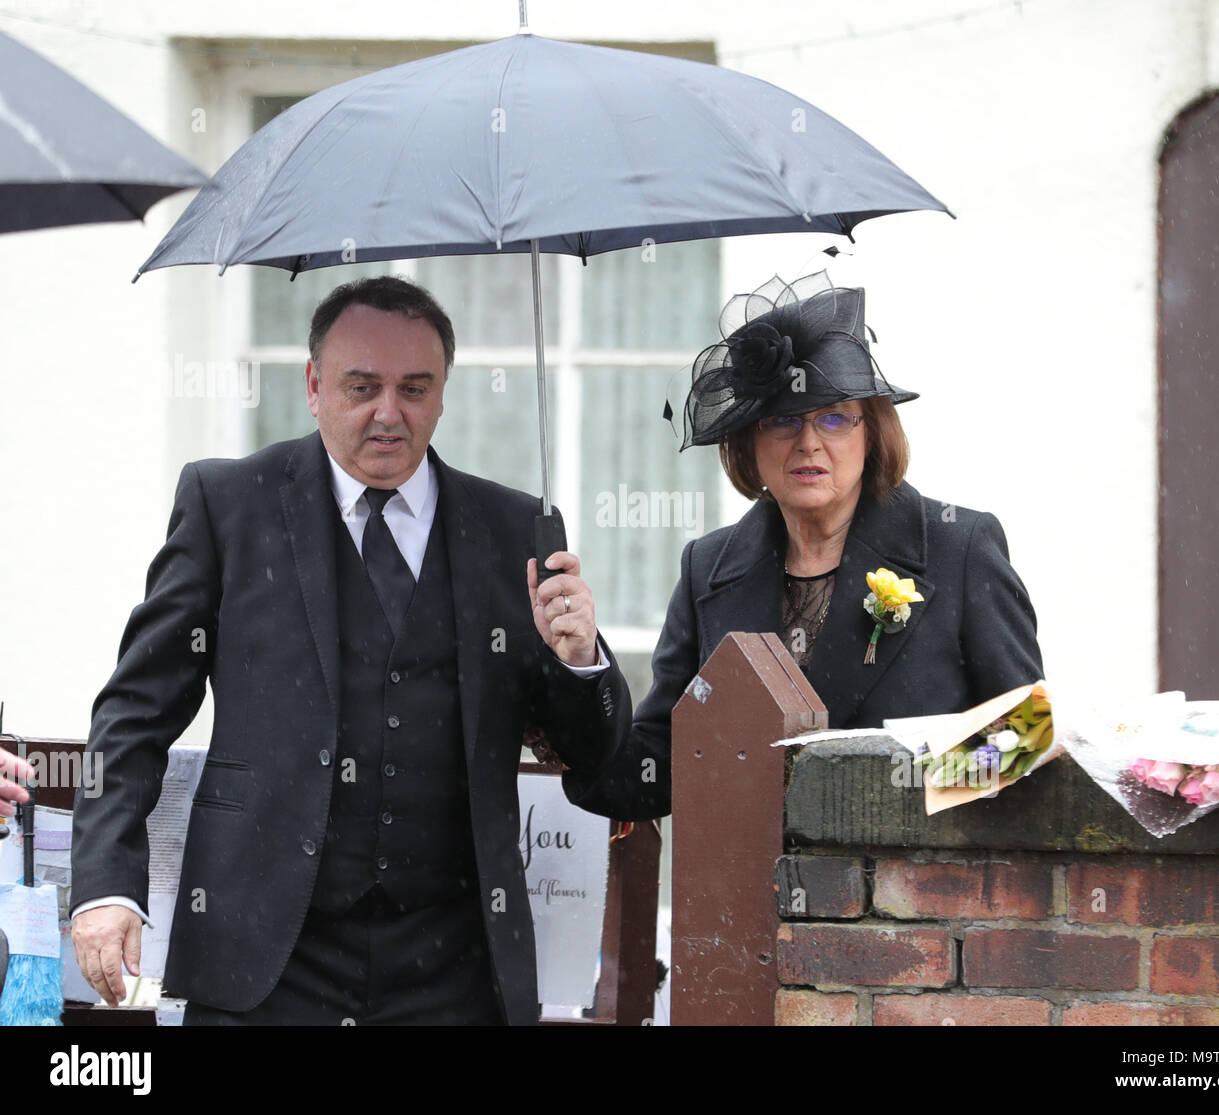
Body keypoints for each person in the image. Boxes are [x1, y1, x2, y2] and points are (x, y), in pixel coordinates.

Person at [70, 276, 634, 1025]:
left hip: (456, 969)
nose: (388, 413)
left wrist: (579, 658)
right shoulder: (228, 506)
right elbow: (134, 712)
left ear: (442, 394)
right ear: (312, 384)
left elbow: (595, 757)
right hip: (266, 960)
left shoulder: (514, 529)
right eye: (362, 386)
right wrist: (107, 885)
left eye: (414, 387)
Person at [571, 273, 1043, 821]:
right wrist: (581, 668)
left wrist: (890, 798)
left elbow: (1026, 733)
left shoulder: (958, 547)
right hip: (748, 898)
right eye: (782, 421)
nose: (809, 442)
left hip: (903, 893)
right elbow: (654, 772)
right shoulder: (707, 568)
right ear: (748, 442)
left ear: (873, 433)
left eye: (835, 417)